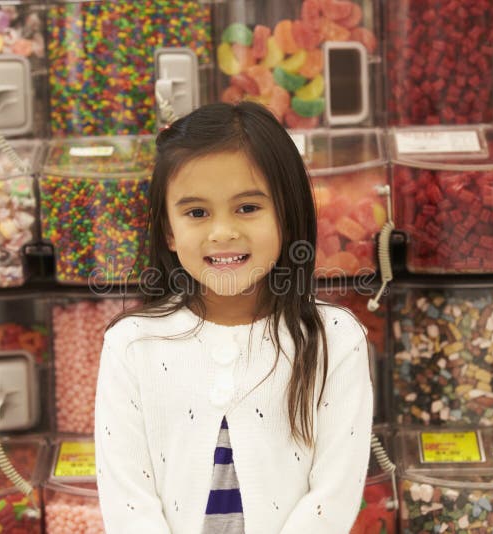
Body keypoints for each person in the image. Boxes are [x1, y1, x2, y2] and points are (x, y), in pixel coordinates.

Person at [94, 101, 373, 534]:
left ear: (288, 212)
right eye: (196, 213)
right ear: (169, 230)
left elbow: (333, 494)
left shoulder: (335, 339)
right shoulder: (132, 344)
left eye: (247, 207)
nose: (222, 232)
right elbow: (127, 497)